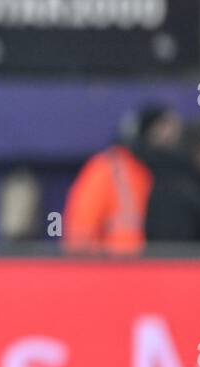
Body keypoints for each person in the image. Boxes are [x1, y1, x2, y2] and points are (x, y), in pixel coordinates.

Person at [63, 105, 181, 255]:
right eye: (161, 131)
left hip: (162, 270)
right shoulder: (108, 169)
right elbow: (80, 236)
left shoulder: (173, 175)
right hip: (110, 270)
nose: (167, 140)